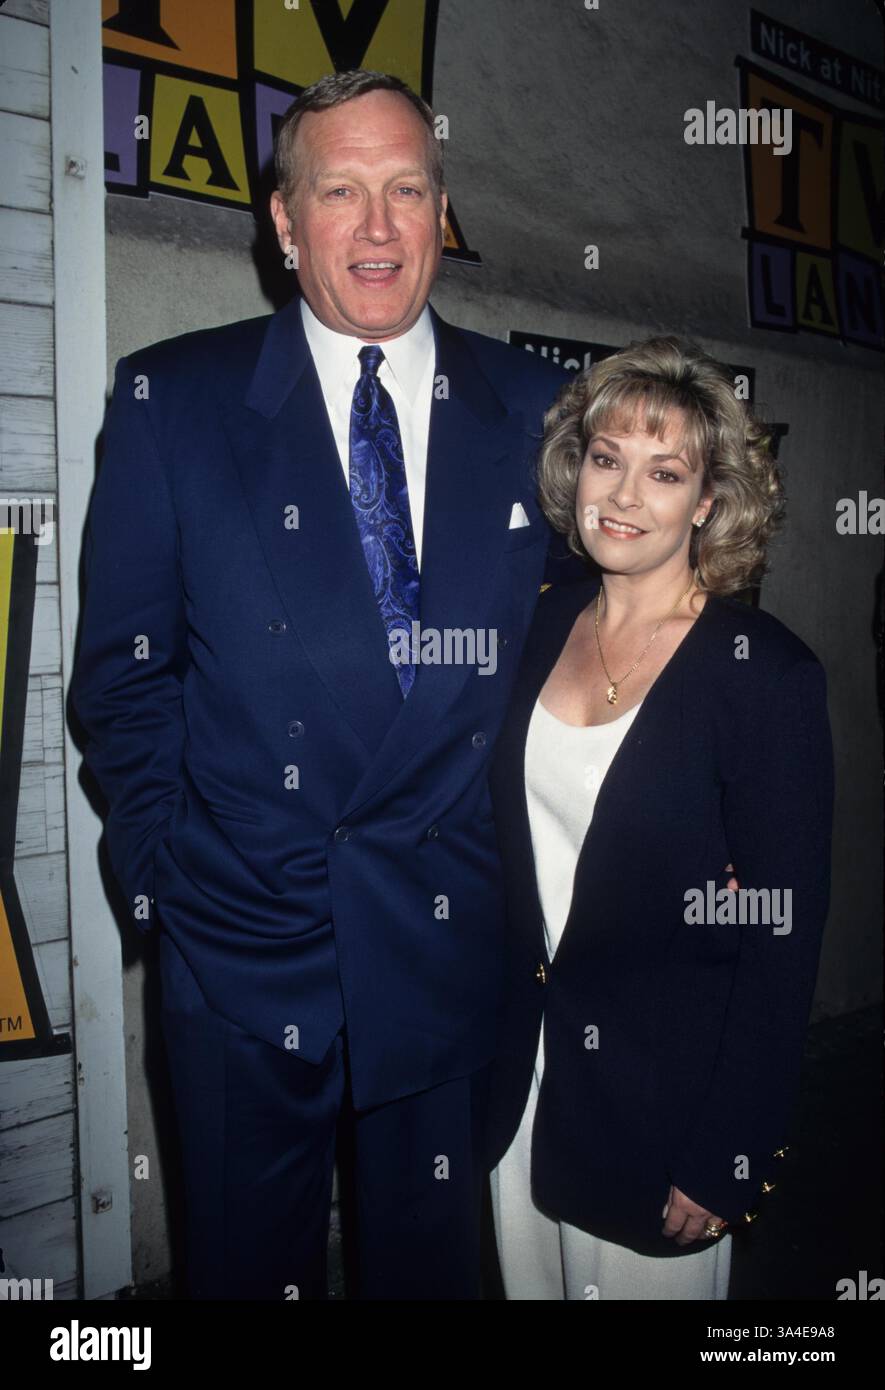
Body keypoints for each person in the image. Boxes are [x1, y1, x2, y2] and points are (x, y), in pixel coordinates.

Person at [71, 69, 566, 1300]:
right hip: (240, 945)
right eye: (339, 190)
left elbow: (624, 644)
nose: (381, 226)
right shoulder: (169, 401)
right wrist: (170, 877)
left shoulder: (542, 410)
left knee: (437, 1277)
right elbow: (125, 680)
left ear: (442, 209)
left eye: (408, 189)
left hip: (452, 941)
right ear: (284, 224)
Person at [485, 337, 834, 1300]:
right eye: (607, 459)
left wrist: (732, 1147)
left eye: (664, 472)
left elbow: (780, 940)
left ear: (709, 501)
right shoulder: (538, 623)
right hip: (519, 1084)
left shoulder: (763, 677)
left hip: (662, 1103)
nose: (625, 496)